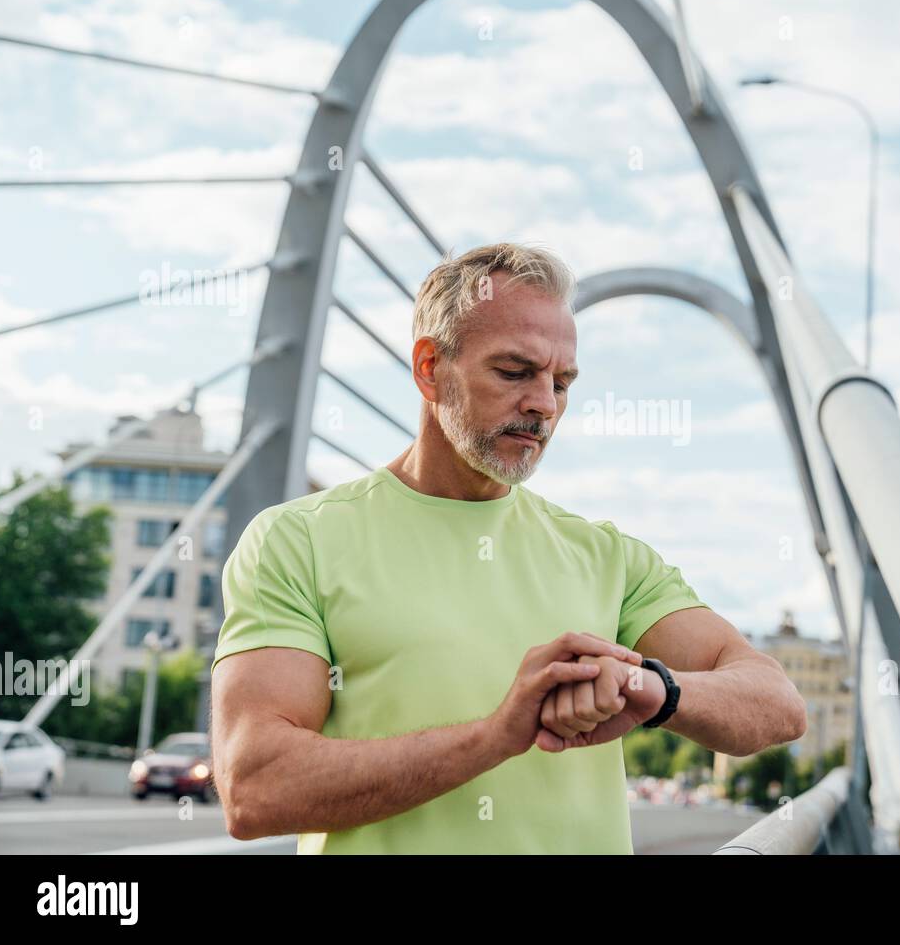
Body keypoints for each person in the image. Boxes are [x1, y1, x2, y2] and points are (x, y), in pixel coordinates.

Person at [209, 241, 807, 853]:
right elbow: (256, 789)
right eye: (514, 371)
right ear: (429, 369)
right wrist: (497, 734)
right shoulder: (298, 541)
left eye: (561, 382)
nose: (544, 405)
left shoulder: (608, 556)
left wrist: (651, 688)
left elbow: (778, 706)